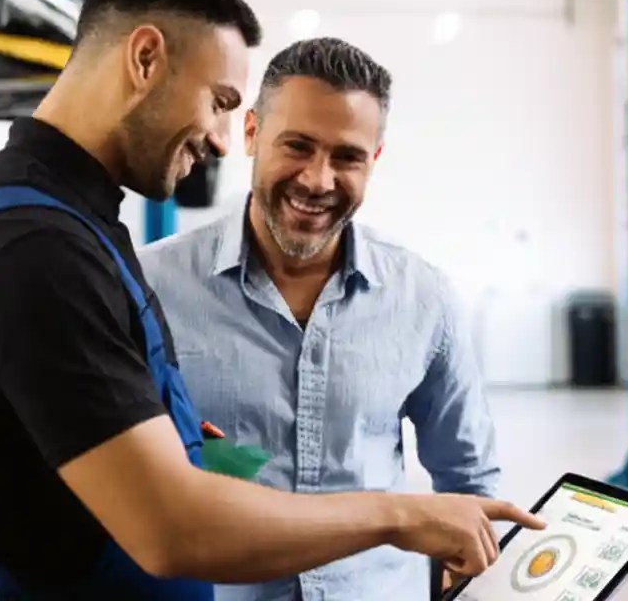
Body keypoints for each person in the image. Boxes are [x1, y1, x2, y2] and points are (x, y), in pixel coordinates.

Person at [0, 0, 541, 600]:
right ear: (146, 59)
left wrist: (182, 445)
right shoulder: (37, 250)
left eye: (347, 156)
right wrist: (401, 515)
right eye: (219, 102)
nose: (212, 139)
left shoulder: (84, 235)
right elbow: (168, 529)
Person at [139, 37, 501, 601]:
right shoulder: (151, 286)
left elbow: (471, 485)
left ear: (374, 160)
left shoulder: (424, 298)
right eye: (298, 146)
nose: (318, 180)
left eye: (347, 157)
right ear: (252, 133)